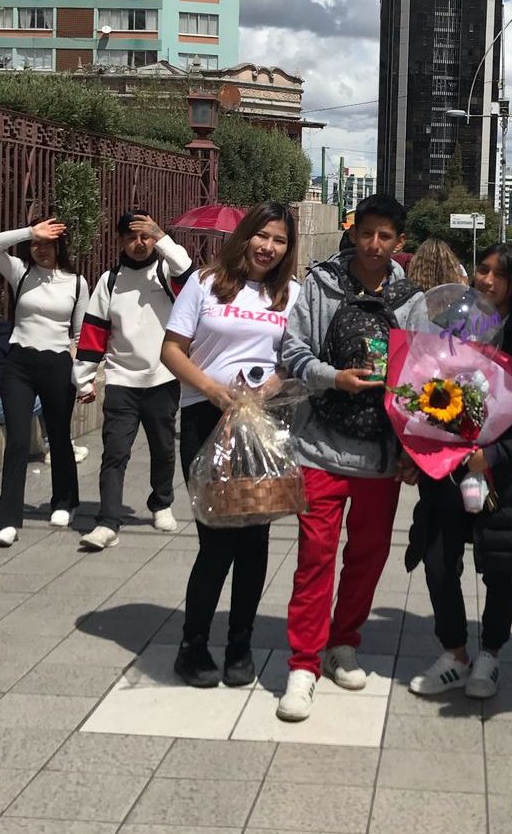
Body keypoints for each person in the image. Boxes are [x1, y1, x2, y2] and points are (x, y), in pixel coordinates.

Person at [277, 193, 426, 721]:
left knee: (368, 556)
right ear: (353, 232)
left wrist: (413, 450)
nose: (375, 244)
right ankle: (302, 664)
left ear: (399, 242)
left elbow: (422, 380)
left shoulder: (412, 301)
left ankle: (344, 642)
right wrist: (331, 377)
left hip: (381, 457)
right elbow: (291, 351)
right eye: (367, 233)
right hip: (320, 447)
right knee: (314, 557)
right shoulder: (320, 285)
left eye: (386, 235)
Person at [405, 244, 512, 699]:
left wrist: (495, 455)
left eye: (499, 274)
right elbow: (425, 377)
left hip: (506, 473)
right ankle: (453, 653)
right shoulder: (459, 316)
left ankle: (490, 656)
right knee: (437, 559)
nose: (486, 280)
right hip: (448, 466)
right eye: (482, 269)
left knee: (500, 565)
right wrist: (428, 435)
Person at [160, 202, 301, 688]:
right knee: (216, 541)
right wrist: (214, 390)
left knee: (255, 540)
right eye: (262, 235)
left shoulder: (291, 295)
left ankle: (239, 642)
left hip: (261, 426)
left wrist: (272, 387)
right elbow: (171, 349)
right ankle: (192, 644)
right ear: (245, 235)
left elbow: (294, 360)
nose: (269, 247)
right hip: (206, 419)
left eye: (279, 240)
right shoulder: (204, 283)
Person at [73, 211, 193, 550]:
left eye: (145, 236)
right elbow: (94, 332)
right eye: (131, 237)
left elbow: (187, 269)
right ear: (120, 241)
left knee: (163, 447)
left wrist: (161, 234)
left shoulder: (167, 273)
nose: (139, 244)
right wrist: (83, 379)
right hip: (122, 379)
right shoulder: (109, 281)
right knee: (115, 451)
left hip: (162, 377)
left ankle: (162, 502)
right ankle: (108, 521)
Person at [0, 218, 88, 547]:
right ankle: (7, 520)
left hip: (57, 363)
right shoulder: (20, 272)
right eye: (36, 244)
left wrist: (83, 379)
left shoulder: (77, 283)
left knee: (58, 435)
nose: (40, 250)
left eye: (47, 244)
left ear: (61, 246)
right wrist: (30, 232)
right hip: (19, 363)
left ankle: (65, 501)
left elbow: (80, 335)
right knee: (17, 439)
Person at [0, 320, 90, 464]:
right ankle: (56, 449)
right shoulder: (25, 340)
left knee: (46, 390)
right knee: (51, 394)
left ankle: (58, 445)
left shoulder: (5, 331)